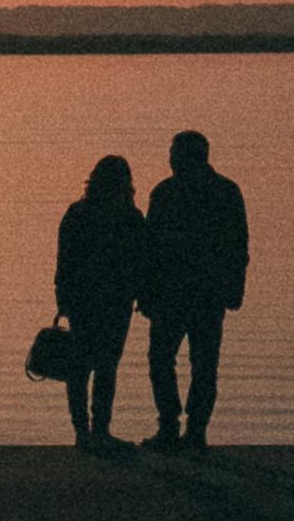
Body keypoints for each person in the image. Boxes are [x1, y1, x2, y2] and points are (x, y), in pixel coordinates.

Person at [139, 127, 250, 452]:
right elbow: (237, 246)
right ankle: (189, 429)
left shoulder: (169, 192)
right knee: (196, 363)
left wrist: (147, 292)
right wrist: (234, 287)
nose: (170, 160)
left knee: (171, 361)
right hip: (198, 293)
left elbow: (151, 248)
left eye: (174, 155)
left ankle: (177, 427)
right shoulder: (224, 191)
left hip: (183, 293)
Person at [51, 154, 148, 450]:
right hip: (116, 300)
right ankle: (101, 429)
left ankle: (82, 431)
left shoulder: (77, 213)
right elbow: (141, 262)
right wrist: (142, 294)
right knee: (107, 365)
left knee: (79, 367)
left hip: (83, 298)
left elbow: (65, 261)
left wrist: (62, 297)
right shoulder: (131, 218)